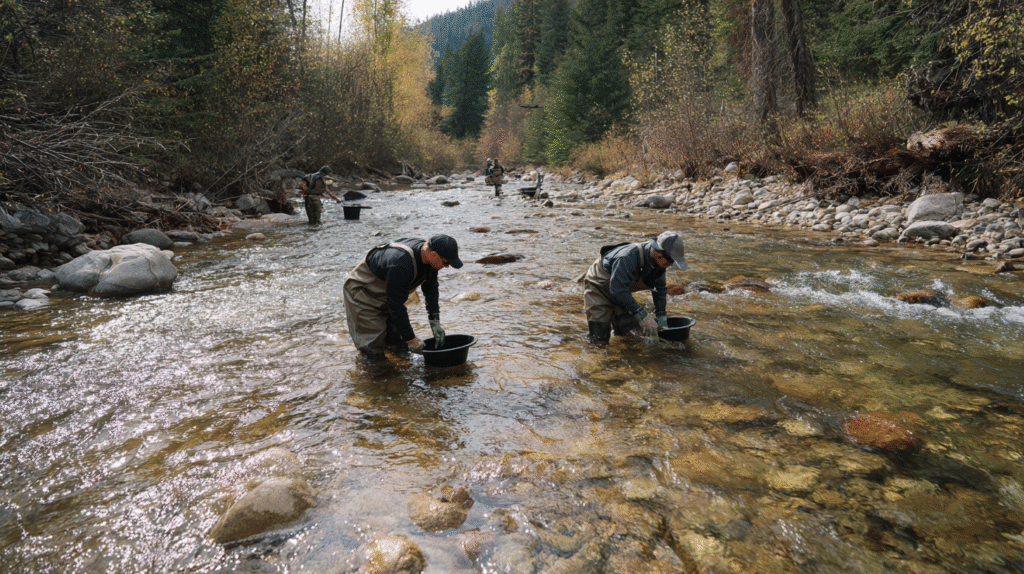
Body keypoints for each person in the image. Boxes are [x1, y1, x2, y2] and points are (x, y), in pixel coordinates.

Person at [343, 234, 464, 359]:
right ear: (434, 254)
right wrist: (411, 339)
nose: (447, 266)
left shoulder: (430, 259)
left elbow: (431, 292)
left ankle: (399, 369)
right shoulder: (401, 263)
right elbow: (396, 306)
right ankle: (370, 374)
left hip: (388, 293)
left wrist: (435, 323)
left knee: (398, 344)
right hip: (363, 294)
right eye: (446, 262)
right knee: (373, 351)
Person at [582, 231, 689, 344]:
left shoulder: (660, 263)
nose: (670, 264)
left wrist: (662, 316)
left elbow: (660, 289)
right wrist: (643, 316)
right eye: (669, 260)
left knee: (630, 335)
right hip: (598, 287)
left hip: (621, 291)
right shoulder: (627, 256)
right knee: (599, 339)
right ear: (656, 251)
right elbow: (617, 290)